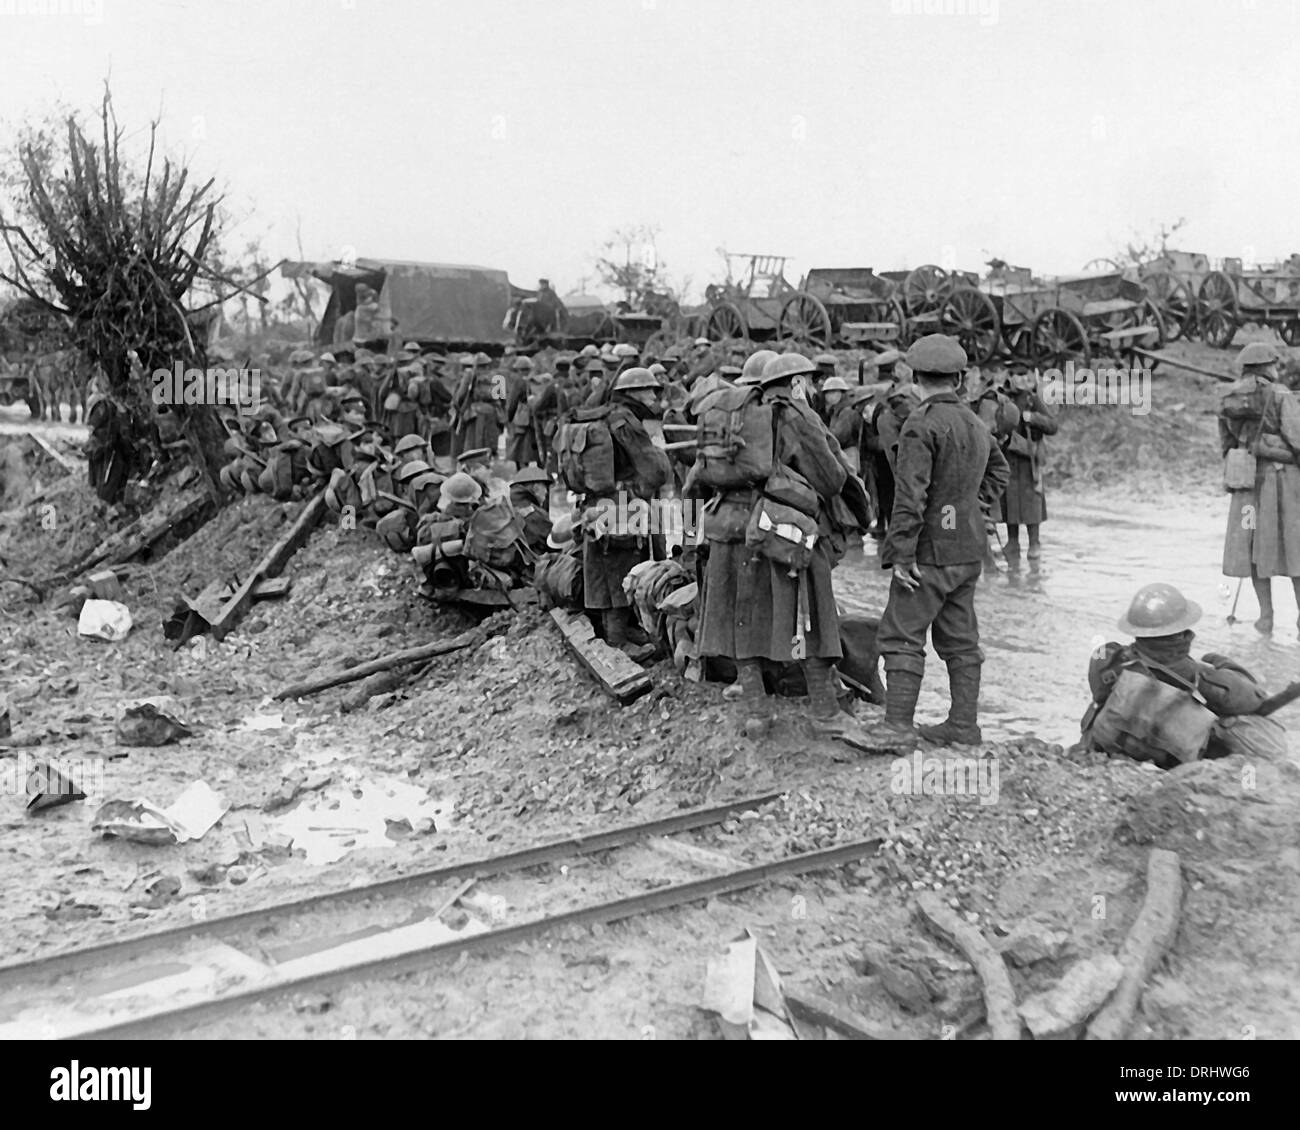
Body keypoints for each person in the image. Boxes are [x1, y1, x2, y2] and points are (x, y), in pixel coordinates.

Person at [695, 352, 871, 748]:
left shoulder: (724, 415)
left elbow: (698, 478)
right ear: (794, 382)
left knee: (741, 617)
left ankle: (757, 711)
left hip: (728, 526)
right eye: (807, 381)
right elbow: (831, 478)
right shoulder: (794, 414)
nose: (809, 388)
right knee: (810, 615)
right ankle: (825, 712)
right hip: (780, 528)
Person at [877, 335, 1010, 747]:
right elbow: (1000, 474)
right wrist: (968, 507)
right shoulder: (975, 422)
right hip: (968, 550)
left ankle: (897, 727)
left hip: (930, 551)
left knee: (901, 633)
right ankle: (964, 726)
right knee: (961, 638)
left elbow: (909, 494)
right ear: (959, 378)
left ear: (916, 377)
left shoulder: (921, 422)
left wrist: (901, 552)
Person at [1081, 583, 1273, 767]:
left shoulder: (1110, 661)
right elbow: (1255, 698)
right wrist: (1219, 662)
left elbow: (1099, 691)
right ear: (1182, 632)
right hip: (1169, 765)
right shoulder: (1198, 676)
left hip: (1105, 749)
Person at [581, 367, 671, 658]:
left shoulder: (604, 413)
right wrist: (661, 468)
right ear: (632, 393)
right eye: (648, 390)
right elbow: (652, 467)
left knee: (608, 560)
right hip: (623, 498)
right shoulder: (625, 420)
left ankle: (622, 630)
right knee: (625, 560)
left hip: (600, 499)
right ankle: (618, 641)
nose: (653, 396)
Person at [1220, 340, 1300, 633]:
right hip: (1281, 482)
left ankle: (1266, 616)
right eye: (1274, 364)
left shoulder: (1230, 395)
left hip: (1246, 483)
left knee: (1252, 546)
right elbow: (1297, 437)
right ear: (1267, 366)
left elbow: (1225, 442)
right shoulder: (1279, 394)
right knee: (1293, 545)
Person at [509, 466, 554, 552]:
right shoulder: (536, 514)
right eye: (545, 487)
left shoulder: (506, 506)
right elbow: (554, 545)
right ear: (536, 488)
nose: (546, 492)